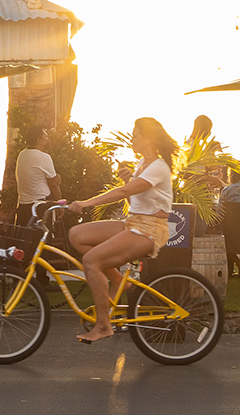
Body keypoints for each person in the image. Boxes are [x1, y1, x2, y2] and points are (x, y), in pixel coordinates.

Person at [67, 117, 178, 344]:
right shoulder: (142, 164)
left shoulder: (158, 166)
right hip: (133, 222)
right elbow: (133, 201)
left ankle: (103, 326)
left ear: (148, 139)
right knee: (76, 235)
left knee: (91, 261)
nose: (132, 139)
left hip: (149, 230)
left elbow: (121, 193)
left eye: (136, 136)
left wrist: (86, 203)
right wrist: (129, 182)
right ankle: (118, 280)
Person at [14, 125, 61, 225]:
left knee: (24, 234)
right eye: (46, 137)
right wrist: (59, 203)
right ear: (39, 140)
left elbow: (35, 175)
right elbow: (53, 184)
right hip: (40, 207)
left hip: (23, 206)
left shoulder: (22, 154)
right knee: (44, 234)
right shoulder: (44, 157)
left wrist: (53, 178)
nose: (48, 139)